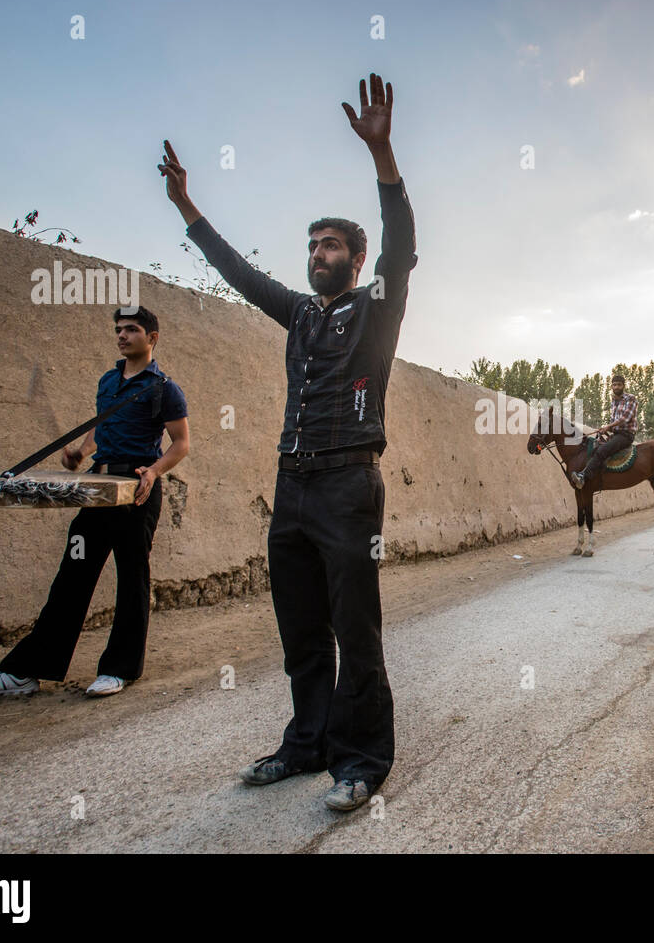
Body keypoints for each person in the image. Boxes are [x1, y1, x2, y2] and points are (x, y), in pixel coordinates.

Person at [157, 74, 416, 812]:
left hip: (348, 486)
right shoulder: (300, 313)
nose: (317, 251)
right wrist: (186, 206)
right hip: (293, 485)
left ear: (356, 260)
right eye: (312, 243)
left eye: (331, 244)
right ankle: (306, 742)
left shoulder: (377, 304)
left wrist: (384, 155)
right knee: (301, 627)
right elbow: (237, 272)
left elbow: (402, 246)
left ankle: (362, 759)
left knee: (354, 628)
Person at [0, 306, 190, 700]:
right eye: (118, 329)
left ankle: (119, 669)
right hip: (97, 486)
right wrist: (80, 453)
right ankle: (24, 673)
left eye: (131, 329)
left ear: (152, 338)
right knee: (72, 576)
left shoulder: (164, 388)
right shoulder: (108, 381)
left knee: (132, 581)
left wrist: (154, 471)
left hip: (136, 489)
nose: (122, 335)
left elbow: (181, 443)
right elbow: (103, 422)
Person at [570, 374, 638, 488]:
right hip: (616, 434)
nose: (616, 387)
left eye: (619, 385)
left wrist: (608, 426)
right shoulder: (613, 402)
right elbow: (614, 421)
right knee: (594, 446)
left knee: (602, 450)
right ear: (611, 386)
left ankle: (583, 477)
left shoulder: (630, 398)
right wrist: (605, 429)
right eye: (614, 385)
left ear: (623, 386)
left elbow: (625, 418)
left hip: (626, 435)